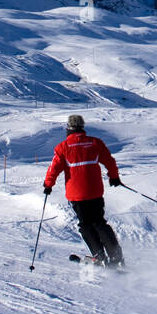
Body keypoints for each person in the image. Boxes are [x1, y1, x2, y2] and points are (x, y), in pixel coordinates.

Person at [42, 114, 124, 267]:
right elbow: (110, 161)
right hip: (95, 191)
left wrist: (48, 184)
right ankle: (115, 255)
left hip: (77, 194)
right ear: (82, 127)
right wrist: (114, 177)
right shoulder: (95, 143)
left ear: (68, 128)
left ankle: (99, 255)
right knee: (99, 222)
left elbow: (54, 168)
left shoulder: (63, 147)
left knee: (86, 225)